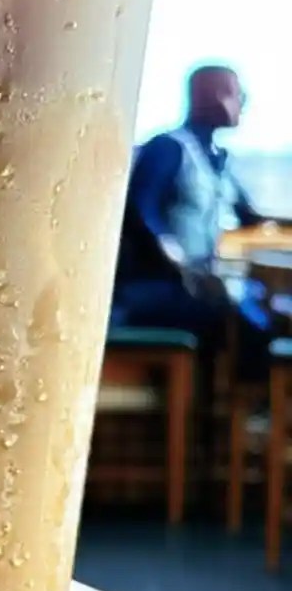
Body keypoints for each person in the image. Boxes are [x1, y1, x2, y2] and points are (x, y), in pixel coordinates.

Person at [114, 65, 273, 375]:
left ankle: (232, 405)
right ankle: (244, 411)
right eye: (237, 95)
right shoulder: (169, 148)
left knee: (262, 304)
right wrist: (180, 263)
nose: (243, 104)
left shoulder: (218, 161)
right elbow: (140, 211)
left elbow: (250, 217)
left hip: (196, 285)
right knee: (243, 319)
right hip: (154, 288)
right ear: (215, 95)